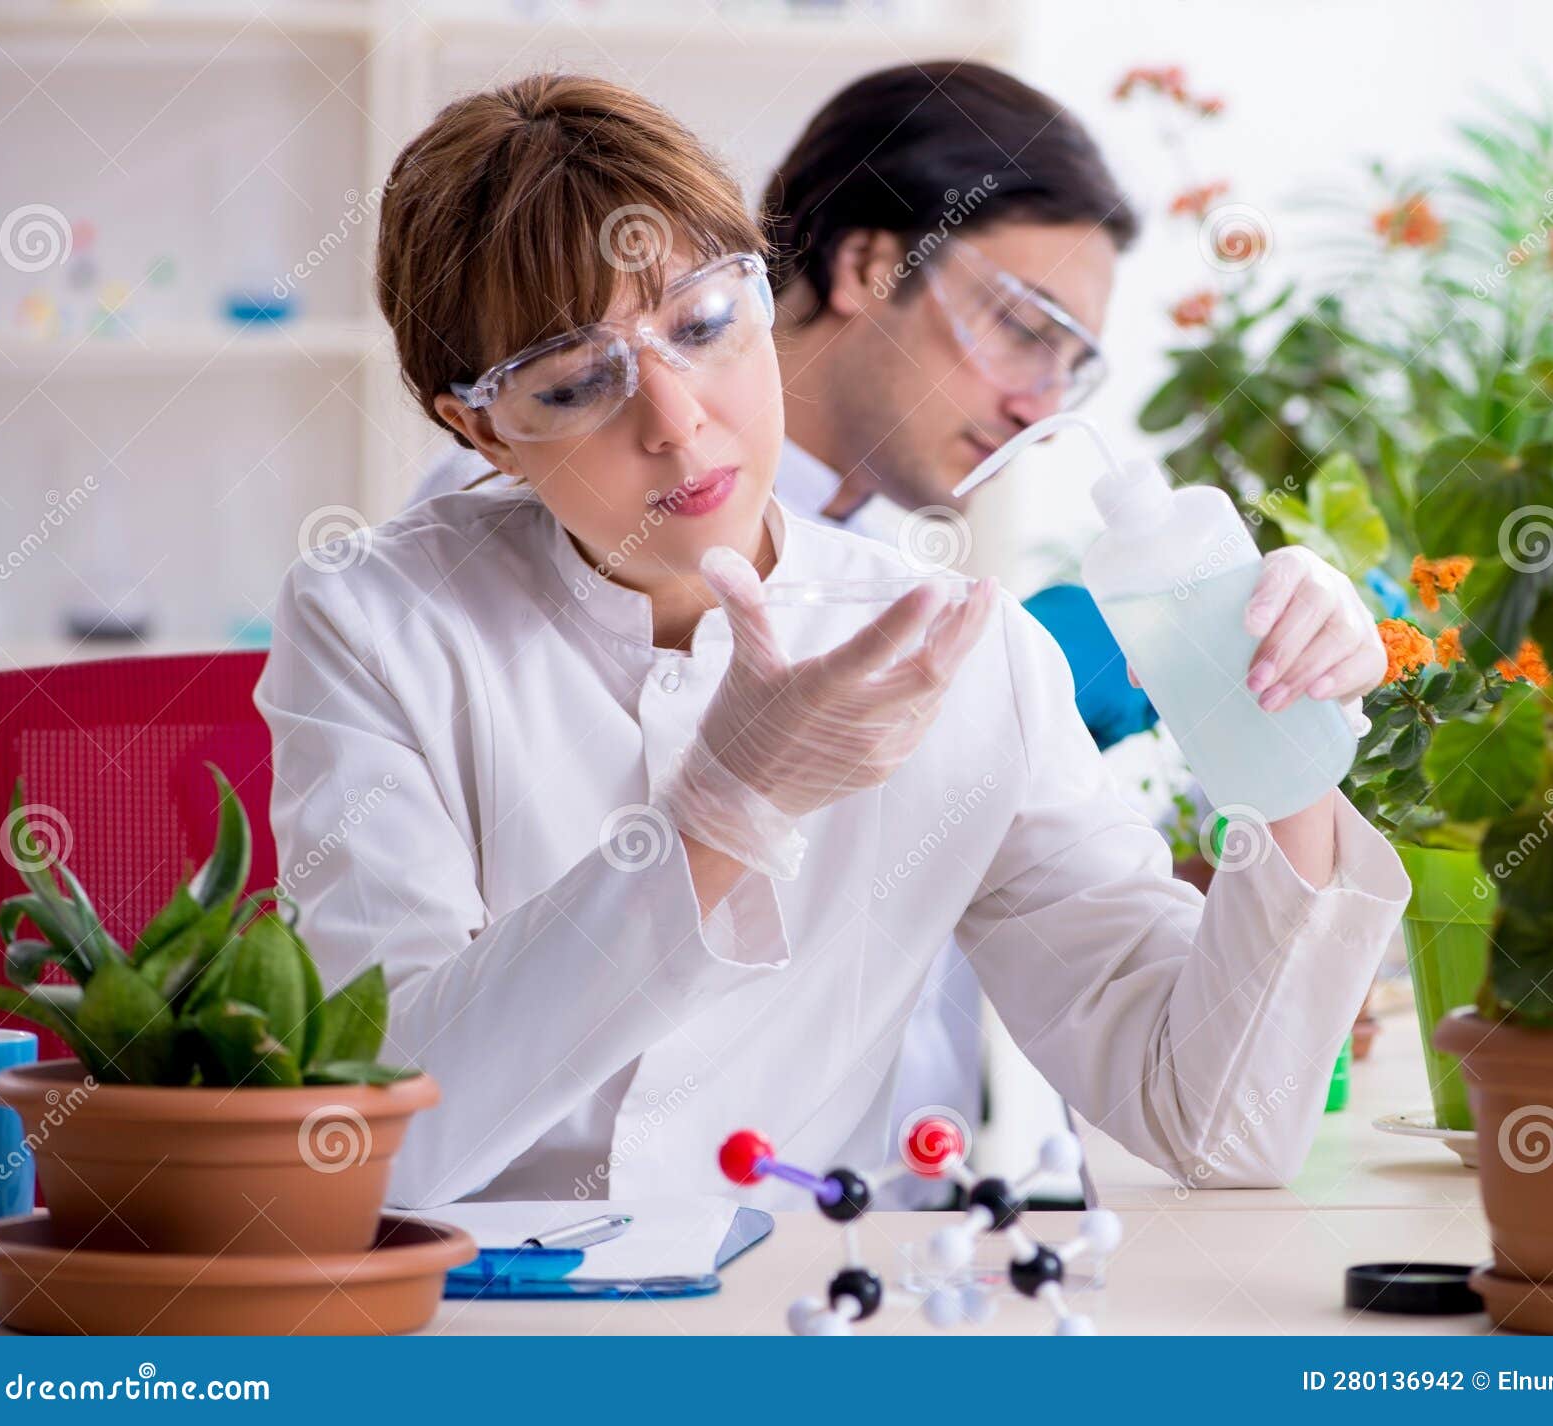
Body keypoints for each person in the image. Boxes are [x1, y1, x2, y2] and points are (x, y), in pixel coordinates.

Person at [256, 74, 1408, 1212]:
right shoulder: (379, 620)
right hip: (469, 1307)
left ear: (760, 297)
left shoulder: (963, 647)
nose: (676, 421)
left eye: (703, 325)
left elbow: (1217, 1123)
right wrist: (721, 810)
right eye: (571, 385)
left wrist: (1281, 740)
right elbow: (375, 1144)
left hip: (810, 1291)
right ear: (480, 431)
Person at [402, 64, 1157, 1192]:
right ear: (865, 264)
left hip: (872, 1219)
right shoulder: (518, 541)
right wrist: (729, 800)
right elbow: (427, 1080)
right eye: (1021, 327)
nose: (1036, 404)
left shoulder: (915, 582)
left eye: (1070, 362)